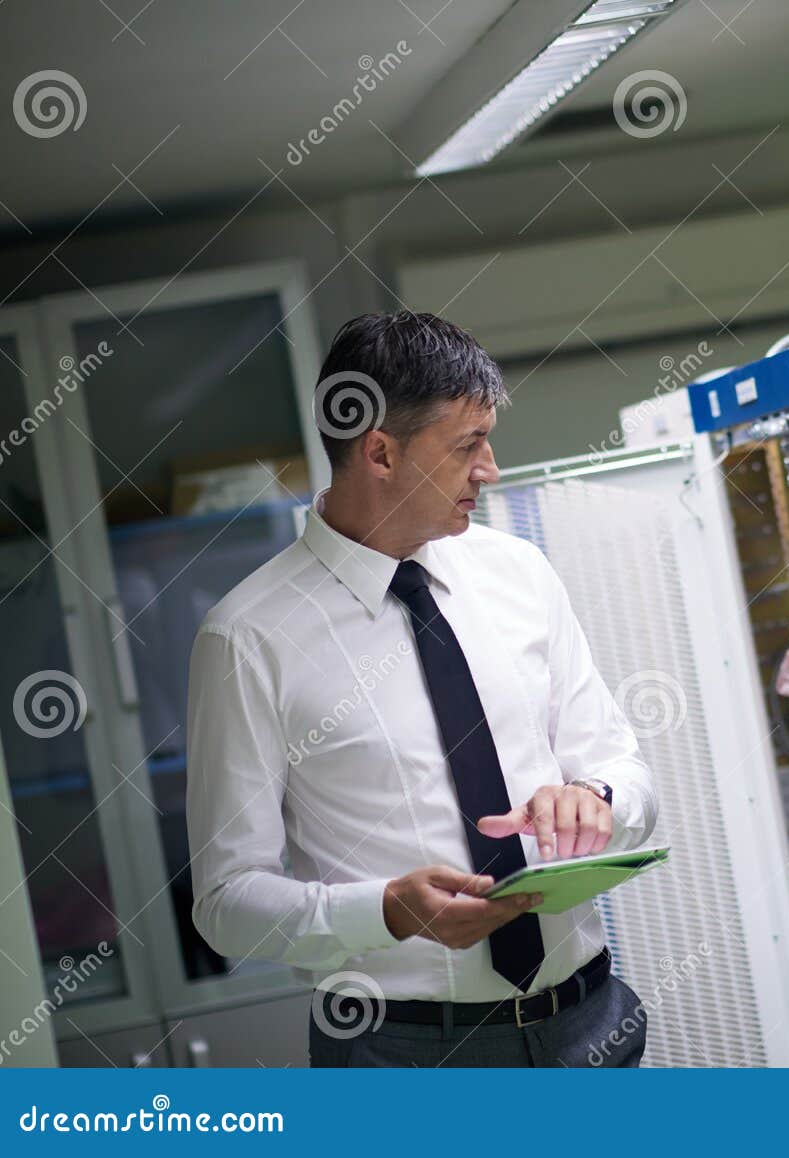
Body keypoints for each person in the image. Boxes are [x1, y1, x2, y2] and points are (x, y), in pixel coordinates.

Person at [186, 311, 658, 1067]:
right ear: (379, 451)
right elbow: (226, 902)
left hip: (589, 1026)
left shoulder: (520, 575)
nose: (491, 468)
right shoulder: (247, 638)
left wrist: (597, 800)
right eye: (468, 445)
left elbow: (628, 775)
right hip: (401, 1056)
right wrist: (384, 912)